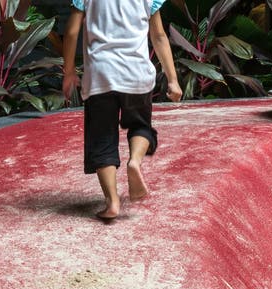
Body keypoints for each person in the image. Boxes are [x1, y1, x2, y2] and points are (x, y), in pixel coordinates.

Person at [62, 0, 182, 220]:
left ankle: (112, 202)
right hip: (136, 74)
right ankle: (134, 161)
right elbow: (159, 36)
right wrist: (173, 80)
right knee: (141, 127)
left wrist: (69, 72)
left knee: (102, 138)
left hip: (101, 75)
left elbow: (71, 32)